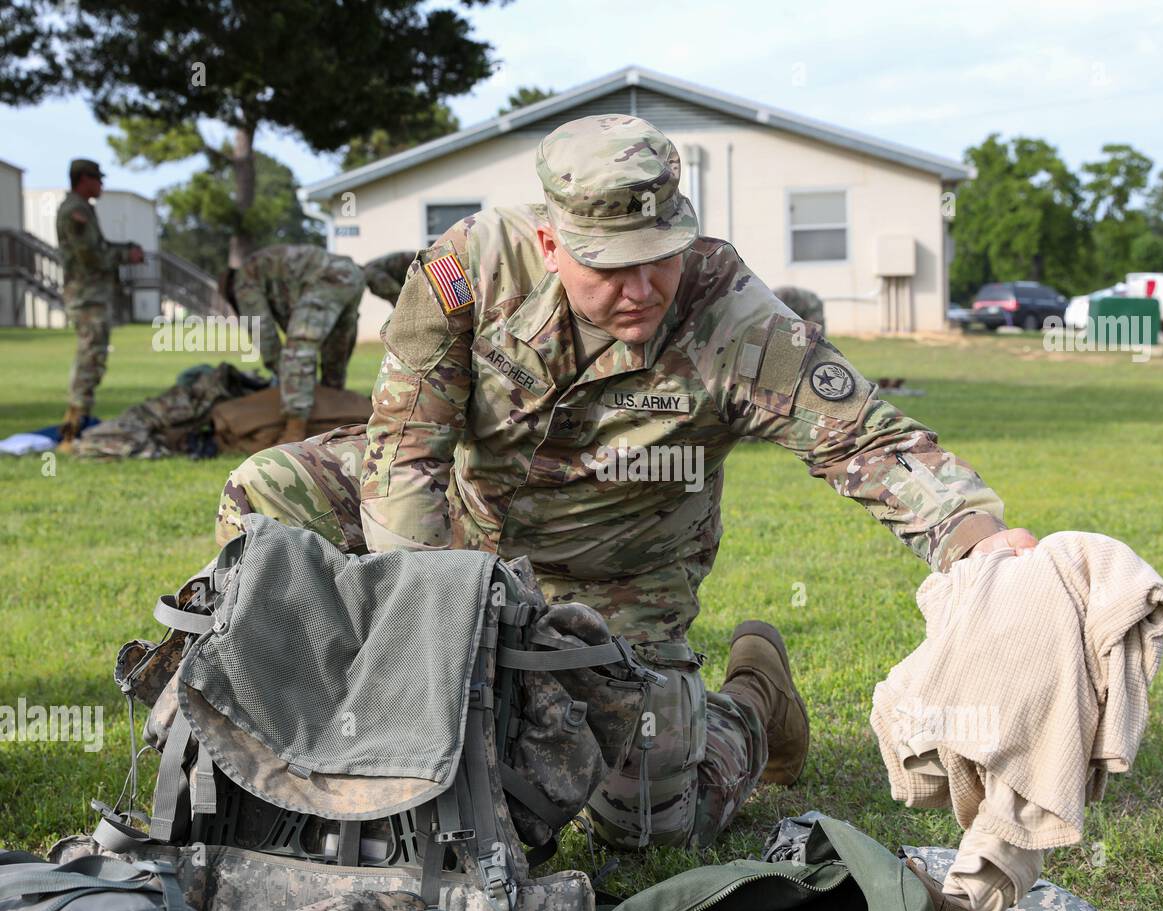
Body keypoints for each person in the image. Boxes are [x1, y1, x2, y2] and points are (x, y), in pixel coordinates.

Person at [215, 114, 1037, 851]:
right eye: (610, 265)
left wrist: (979, 540)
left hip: (621, 573)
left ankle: (754, 700)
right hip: (463, 528)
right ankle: (303, 740)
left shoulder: (734, 319)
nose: (642, 289)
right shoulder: (468, 270)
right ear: (550, 243)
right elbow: (405, 456)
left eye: (660, 257)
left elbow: (867, 440)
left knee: (645, 826)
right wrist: (430, 654)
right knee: (266, 492)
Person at [219, 245, 367, 443]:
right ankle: (335, 415)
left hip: (326, 278)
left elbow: (263, 332)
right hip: (353, 275)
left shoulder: (243, 280)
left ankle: (294, 429)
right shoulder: (260, 269)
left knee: (298, 348)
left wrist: (284, 374)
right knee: (335, 353)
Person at [55, 158, 144, 451]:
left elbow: (98, 249)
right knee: (89, 359)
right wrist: (126, 256)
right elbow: (90, 256)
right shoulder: (75, 212)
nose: (102, 184)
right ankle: (72, 428)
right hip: (87, 297)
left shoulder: (83, 209)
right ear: (84, 179)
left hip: (93, 297)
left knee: (93, 358)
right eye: (97, 178)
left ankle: (80, 421)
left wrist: (124, 250)